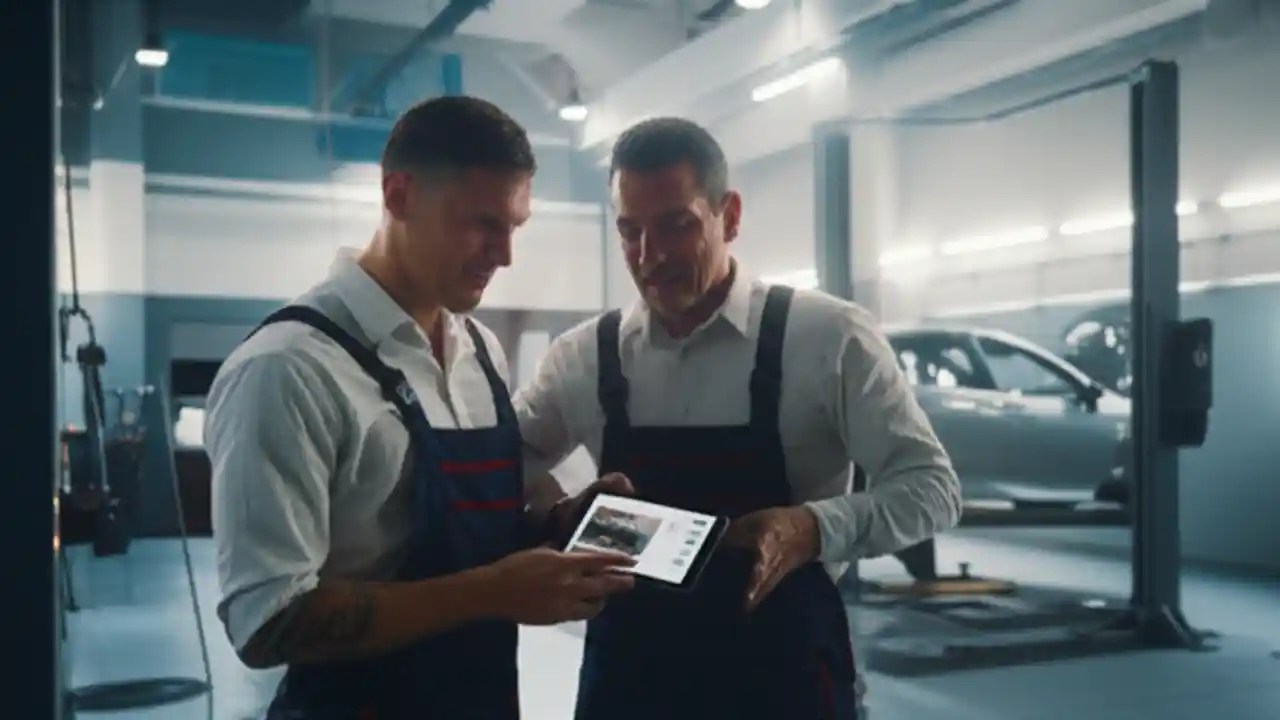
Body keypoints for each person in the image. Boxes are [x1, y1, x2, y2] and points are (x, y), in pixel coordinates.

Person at [515, 117, 963, 720]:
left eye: (677, 226)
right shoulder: (585, 357)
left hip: (781, 675)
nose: (650, 257)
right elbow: (500, 464)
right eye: (630, 232)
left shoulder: (827, 336)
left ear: (729, 215)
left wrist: (809, 529)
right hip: (632, 681)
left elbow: (933, 488)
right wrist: (559, 513)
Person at [203, 96, 635, 720]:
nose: (504, 254)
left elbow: (460, 529)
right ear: (399, 196)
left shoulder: (478, 349)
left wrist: (555, 525)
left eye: (514, 226)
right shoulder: (288, 369)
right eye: (481, 223)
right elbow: (268, 621)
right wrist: (490, 592)